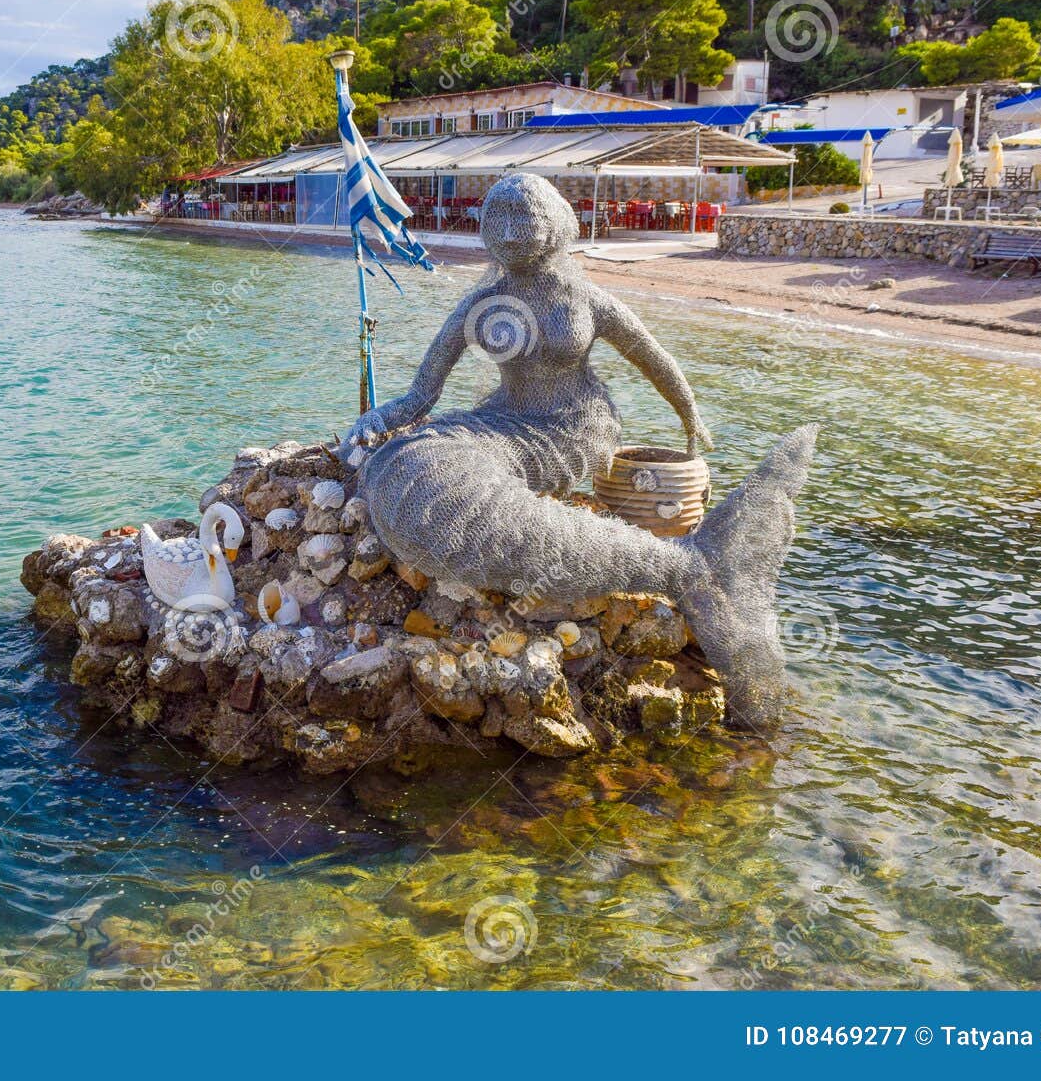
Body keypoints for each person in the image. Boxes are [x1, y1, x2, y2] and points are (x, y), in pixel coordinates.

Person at [337, 172, 816, 729]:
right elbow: (423, 393)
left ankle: (689, 568)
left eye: (527, 218)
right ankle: (688, 564)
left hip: (574, 429)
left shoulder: (583, 297)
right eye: (499, 220)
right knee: (410, 469)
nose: (512, 232)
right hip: (502, 421)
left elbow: (650, 355)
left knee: (446, 503)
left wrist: (691, 415)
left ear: (556, 224)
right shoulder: (484, 302)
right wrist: (376, 421)